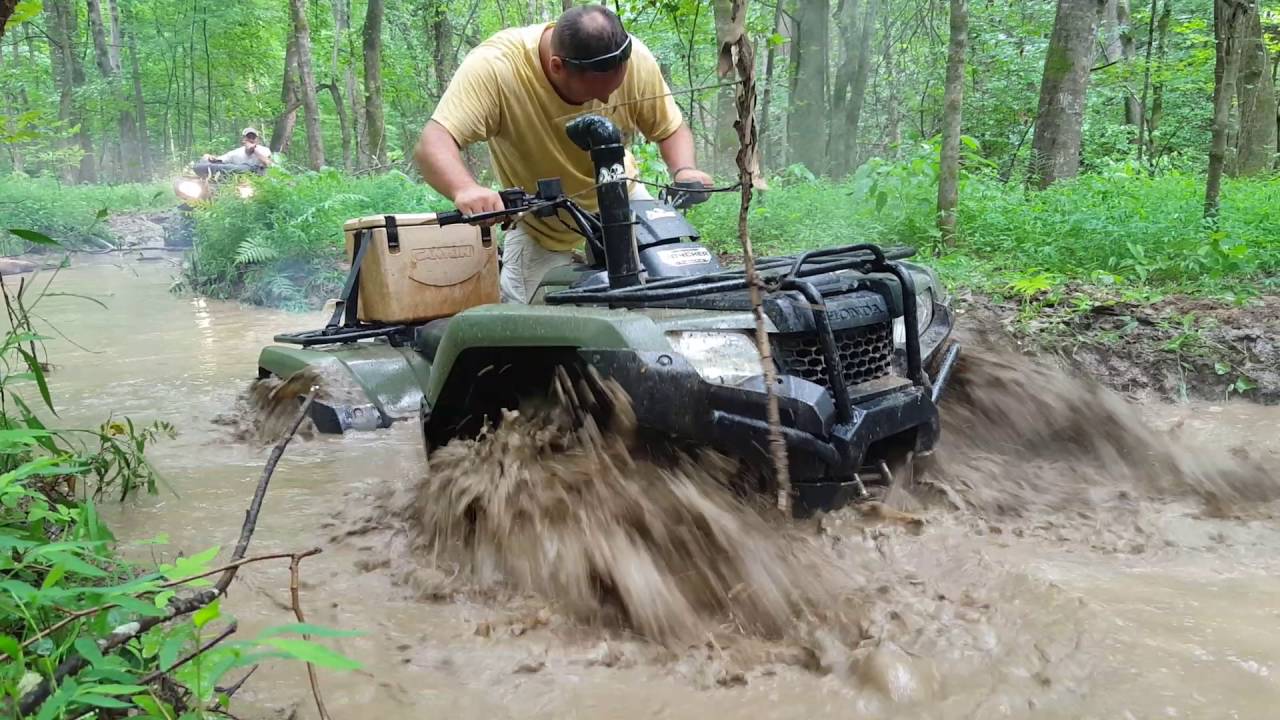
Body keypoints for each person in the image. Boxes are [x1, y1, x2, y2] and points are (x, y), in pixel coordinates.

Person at [415, 4, 713, 304]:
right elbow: (434, 143)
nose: (605, 99)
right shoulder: (496, 68)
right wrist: (465, 188)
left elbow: (669, 128)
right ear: (557, 66)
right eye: (595, 92)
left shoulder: (635, 58)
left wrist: (684, 169)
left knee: (673, 289)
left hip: (623, 199)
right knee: (527, 319)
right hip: (542, 221)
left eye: (614, 88)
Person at [203, 127, 273, 169]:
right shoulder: (235, 153)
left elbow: (269, 164)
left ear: (257, 140)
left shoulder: (264, 150)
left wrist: (255, 150)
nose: (251, 140)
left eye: (253, 137)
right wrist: (210, 157)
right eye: (249, 137)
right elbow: (220, 160)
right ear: (243, 139)